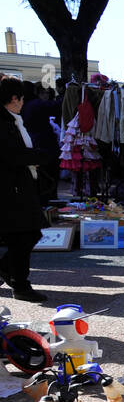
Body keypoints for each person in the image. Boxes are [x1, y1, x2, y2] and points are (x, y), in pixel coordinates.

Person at [0, 76, 50, 302]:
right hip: (11, 189)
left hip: (18, 186)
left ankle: (10, 273)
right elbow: (12, 155)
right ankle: (20, 284)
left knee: (27, 234)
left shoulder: (11, 120)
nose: (23, 102)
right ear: (14, 99)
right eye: (21, 98)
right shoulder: (4, 122)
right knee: (23, 235)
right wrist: (39, 156)